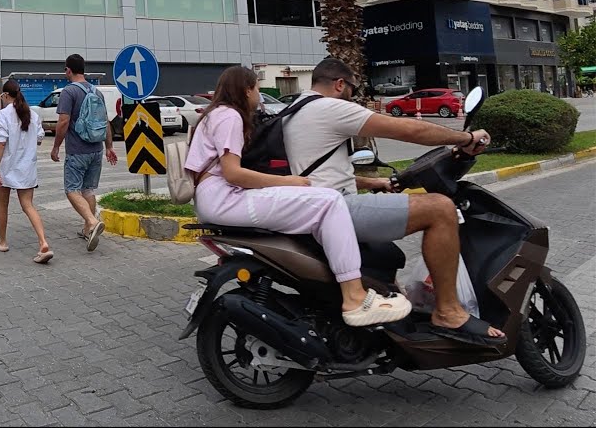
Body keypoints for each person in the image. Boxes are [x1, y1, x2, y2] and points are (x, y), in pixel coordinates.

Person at [283, 57, 503, 345]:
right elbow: (410, 130)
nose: (354, 96)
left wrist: (371, 182)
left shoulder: (294, 110)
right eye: (352, 89)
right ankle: (448, 311)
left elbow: (314, 172)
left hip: (315, 205)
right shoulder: (330, 107)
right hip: (334, 211)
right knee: (440, 209)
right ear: (339, 84)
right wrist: (465, 137)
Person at [186, 66, 413, 327]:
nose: (259, 96)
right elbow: (233, 173)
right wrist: (287, 181)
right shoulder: (230, 117)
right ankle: (354, 297)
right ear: (247, 89)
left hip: (214, 198)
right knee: (329, 201)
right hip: (223, 198)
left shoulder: (214, 115)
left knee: (315, 202)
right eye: (257, 89)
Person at [50, 54, 118, 252]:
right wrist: (109, 147)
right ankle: (88, 229)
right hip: (96, 149)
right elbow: (105, 122)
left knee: (71, 189)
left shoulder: (69, 92)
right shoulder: (97, 91)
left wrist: (55, 147)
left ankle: (92, 220)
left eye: (65, 69)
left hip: (77, 150)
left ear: (69, 70)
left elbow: (63, 122)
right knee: (88, 189)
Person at [0, 79, 53, 264]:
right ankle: (43, 242)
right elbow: (40, 138)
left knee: (3, 205)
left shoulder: (3, 115)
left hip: (7, 167)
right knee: (28, 205)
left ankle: (2, 241)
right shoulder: (33, 115)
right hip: (27, 168)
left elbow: (1, 143)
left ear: (6, 95)